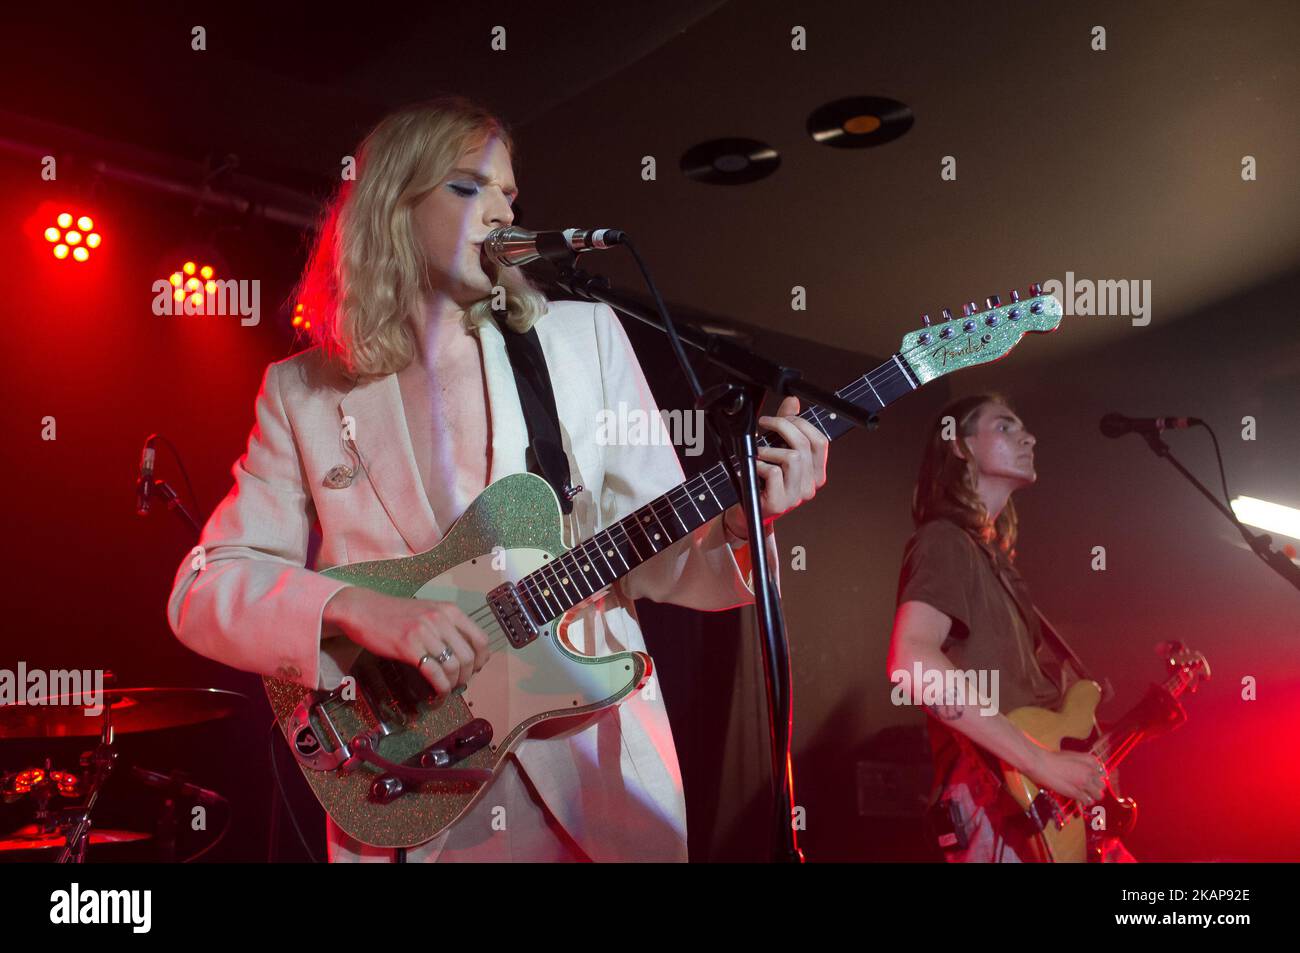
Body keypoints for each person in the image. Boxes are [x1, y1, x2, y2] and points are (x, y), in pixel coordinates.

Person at [166, 96, 829, 862]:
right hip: (406, 785)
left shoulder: (582, 341)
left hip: (595, 779)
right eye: (469, 186)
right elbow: (204, 586)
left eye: (510, 192)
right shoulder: (303, 390)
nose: (503, 209)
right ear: (393, 205)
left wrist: (746, 527)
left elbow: (665, 557)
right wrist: (358, 609)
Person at [885, 393, 1134, 862]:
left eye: (1024, 427)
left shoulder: (997, 564)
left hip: (1035, 802)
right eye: (1004, 426)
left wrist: (1081, 755)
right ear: (959, 446)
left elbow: (1036, 705)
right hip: (994, 799)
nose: (1028, 436)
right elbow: (911, 662)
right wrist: (1040, 761)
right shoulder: (944, 541)